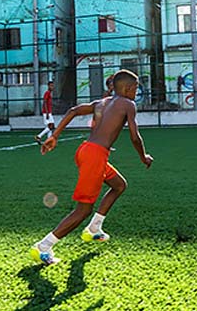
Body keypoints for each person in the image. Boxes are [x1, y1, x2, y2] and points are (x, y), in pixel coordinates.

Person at [31, 69, 153, 266]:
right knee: (84, 209)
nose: (136, 92)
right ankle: (43, 246)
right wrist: (143, 157)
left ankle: (94, 229)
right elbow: (134, 136)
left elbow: (73, 111)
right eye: (136, 88)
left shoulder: (102, 103)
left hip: (86, 151)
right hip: (95, 156)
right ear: (129, 88)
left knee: (119, 185)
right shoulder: (128, 104)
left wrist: (55, 136)